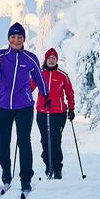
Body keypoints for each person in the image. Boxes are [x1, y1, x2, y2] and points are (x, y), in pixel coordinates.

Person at [0, 22, 49, 193]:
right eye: (13, 36)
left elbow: (40, 79)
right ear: (8, 38)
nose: (16, 40)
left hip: (24, 107)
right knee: (3, 144)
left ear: (24, 39)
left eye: (20, 37)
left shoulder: (30, 58)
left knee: (24, 142)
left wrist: (46, 95)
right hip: (1, 106)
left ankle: (26, 179)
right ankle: (6, 174)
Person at [34, 47, 75, 179]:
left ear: (56, 60)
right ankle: (48, 166)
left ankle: (57, 168)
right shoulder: (38, 74)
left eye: (54, 58)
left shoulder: (63, 76)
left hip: (59, 113)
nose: (51, 60)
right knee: (45, 141)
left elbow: (70, 93)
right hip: (42, 112)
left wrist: (71, 109)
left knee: (55, 140)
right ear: (45, 59)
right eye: (49, 58)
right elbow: (28, 88)